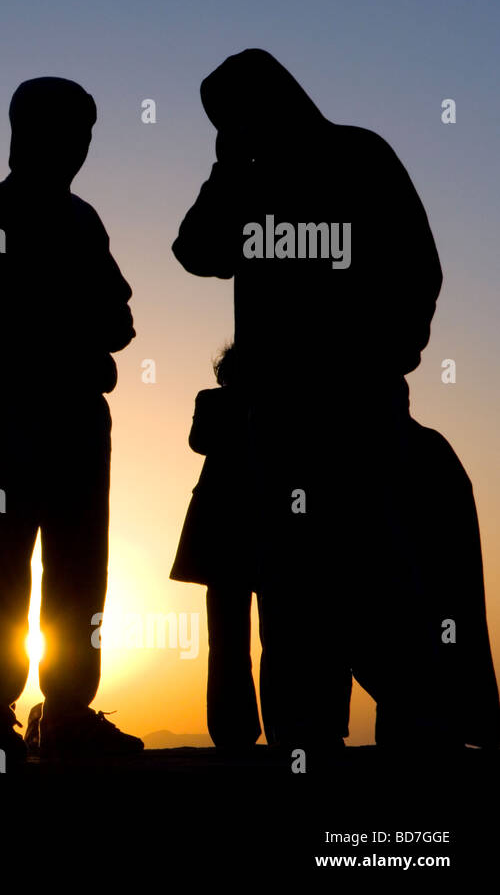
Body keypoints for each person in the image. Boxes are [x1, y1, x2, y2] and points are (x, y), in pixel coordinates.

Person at [171, 48, 488, 750]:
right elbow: (195, 249)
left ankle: (418, 726)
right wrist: (227, 168)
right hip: (279, 419)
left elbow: (418, 266)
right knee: (293, 587)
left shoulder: (358, 157)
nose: (235, 130)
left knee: (374, 566)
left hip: (356, 408)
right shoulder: (253, 184)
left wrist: (386, 355)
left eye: (238, 117)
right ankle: (306, 738)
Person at [0, 77, 141, 759]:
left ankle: (64, 709)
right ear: (30, 132)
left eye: (86, 136)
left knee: (80, 563)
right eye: (71, 133)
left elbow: (119, 319)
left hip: (77, 415)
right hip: (16, 409)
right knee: (4, 555)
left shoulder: (82, 220)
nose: (80, 149)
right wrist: (65, 322)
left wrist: (72, 323)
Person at [169, 344, 263, 749]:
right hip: (232, 523)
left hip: (249, 520)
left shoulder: (236, 402)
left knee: (239, 634)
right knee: (228, 636)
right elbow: (199, 440)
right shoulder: (215, 401)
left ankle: (265, 727)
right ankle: (234, 729)